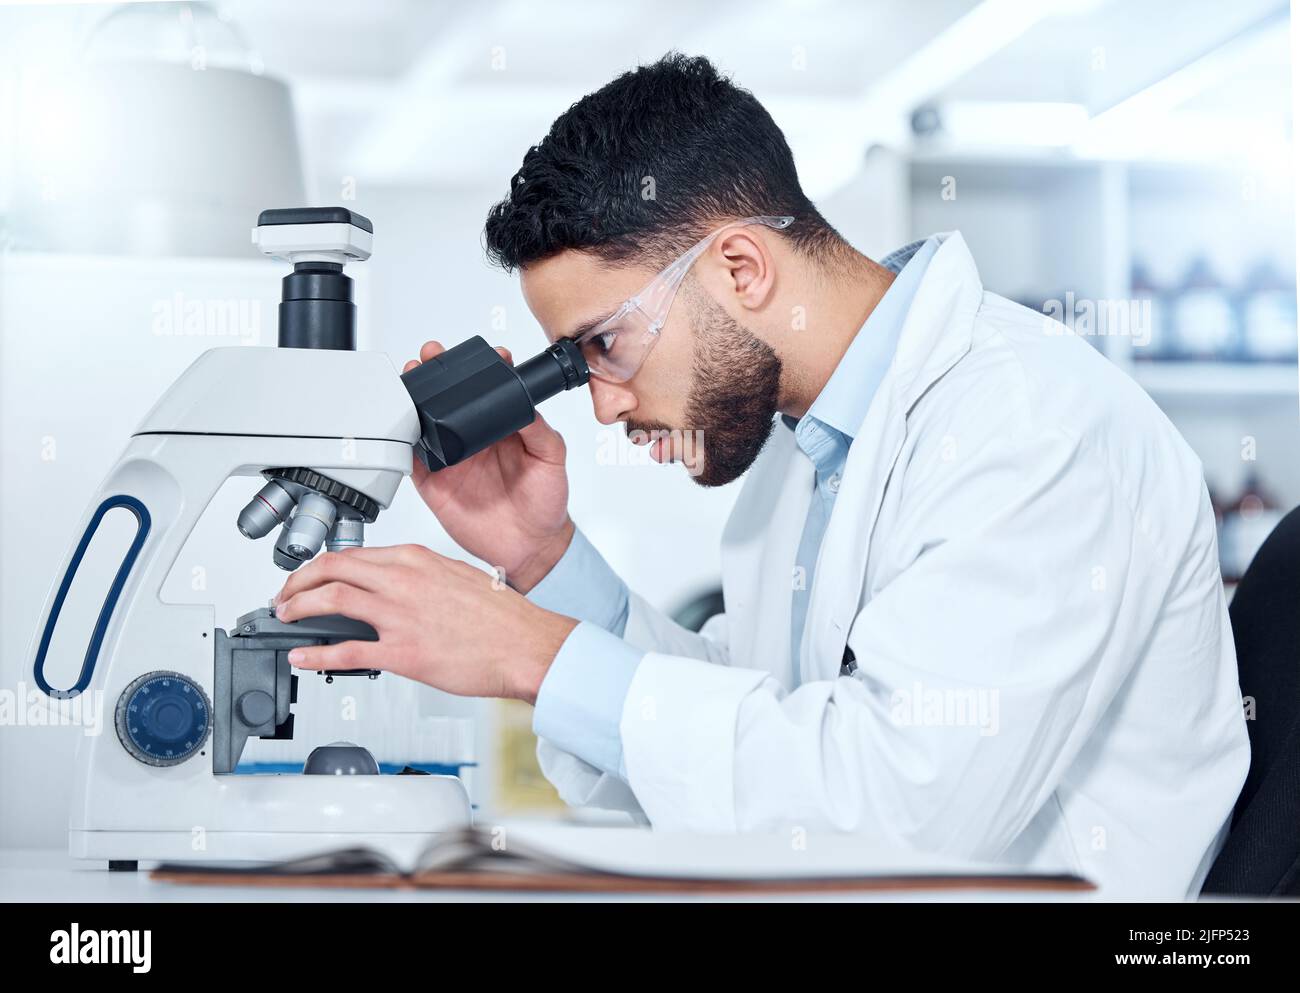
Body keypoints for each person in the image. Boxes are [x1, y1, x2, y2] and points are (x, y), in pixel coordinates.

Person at [272, 54, 1249, 897]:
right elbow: (765, 736)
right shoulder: (812, 446)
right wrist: (543, 559)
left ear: (739, 268)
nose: (602, 404)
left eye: (600, 346)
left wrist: (531, 653)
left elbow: (902, 818)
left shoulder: (1027, 425)